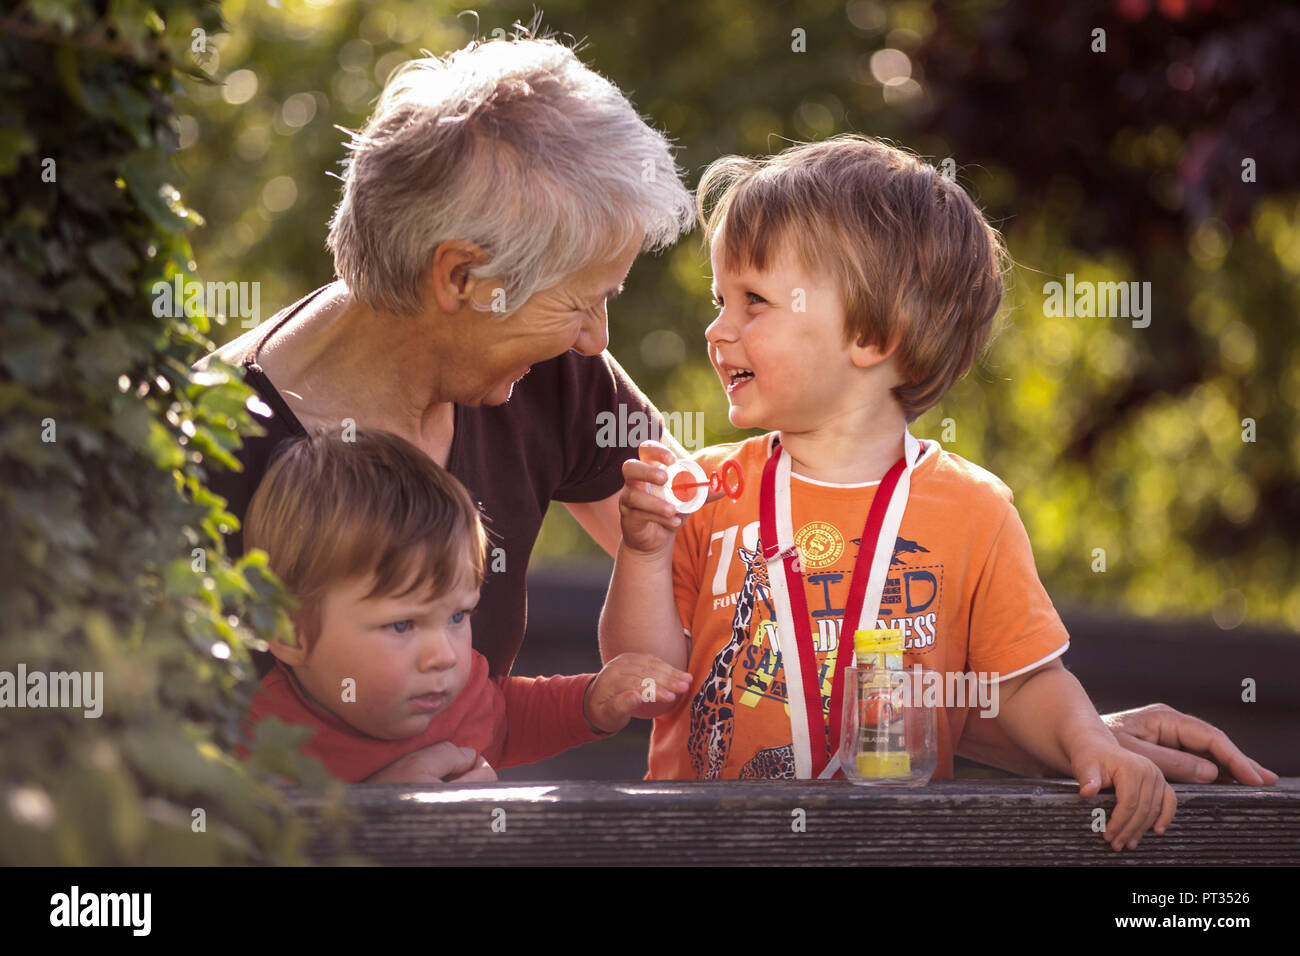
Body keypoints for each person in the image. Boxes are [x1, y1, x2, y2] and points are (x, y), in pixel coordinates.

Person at [199, 30, 1275, 786]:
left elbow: (765, 623)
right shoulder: (210, 451)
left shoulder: (547, 380)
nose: (599, 342)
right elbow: (122, 787)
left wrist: (1057, 729)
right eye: (585, 301)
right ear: (459, 278)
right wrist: (333, 813)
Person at [599, 135, 1274, 850]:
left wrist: (1091, 744)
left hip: (898, 846)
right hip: (703, 849)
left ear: (874, 335)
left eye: (753, 301)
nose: (717, 328)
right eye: (719, 299)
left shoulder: (974, 510)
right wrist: (643, 553)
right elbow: (646, 682)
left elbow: (1020, 685)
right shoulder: (705, 489)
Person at [241, 429, 691, 783]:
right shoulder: (260, 744)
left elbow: (510, 718)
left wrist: (591, 701)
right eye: (401, 625)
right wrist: (376, 810)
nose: (445, 655)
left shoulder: (456, 696)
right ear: (290, 632)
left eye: (457, 616)